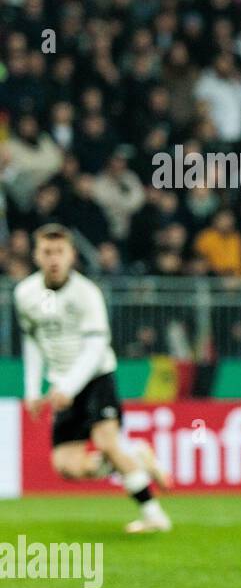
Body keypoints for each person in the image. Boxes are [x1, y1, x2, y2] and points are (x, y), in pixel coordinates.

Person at [15, 224, 172, 534]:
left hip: (96, 377)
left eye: (60, 252)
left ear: (72, 254)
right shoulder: (25, 294)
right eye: (47, 252)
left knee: (106, 443)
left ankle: (154, 515)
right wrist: (33, 390)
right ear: (36, 255)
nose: (54, 259)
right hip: (60, 384)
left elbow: (96, 345)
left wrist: (69, 386)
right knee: (67, 466)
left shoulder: (87, 293)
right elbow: (32, 343)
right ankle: (138, 454)